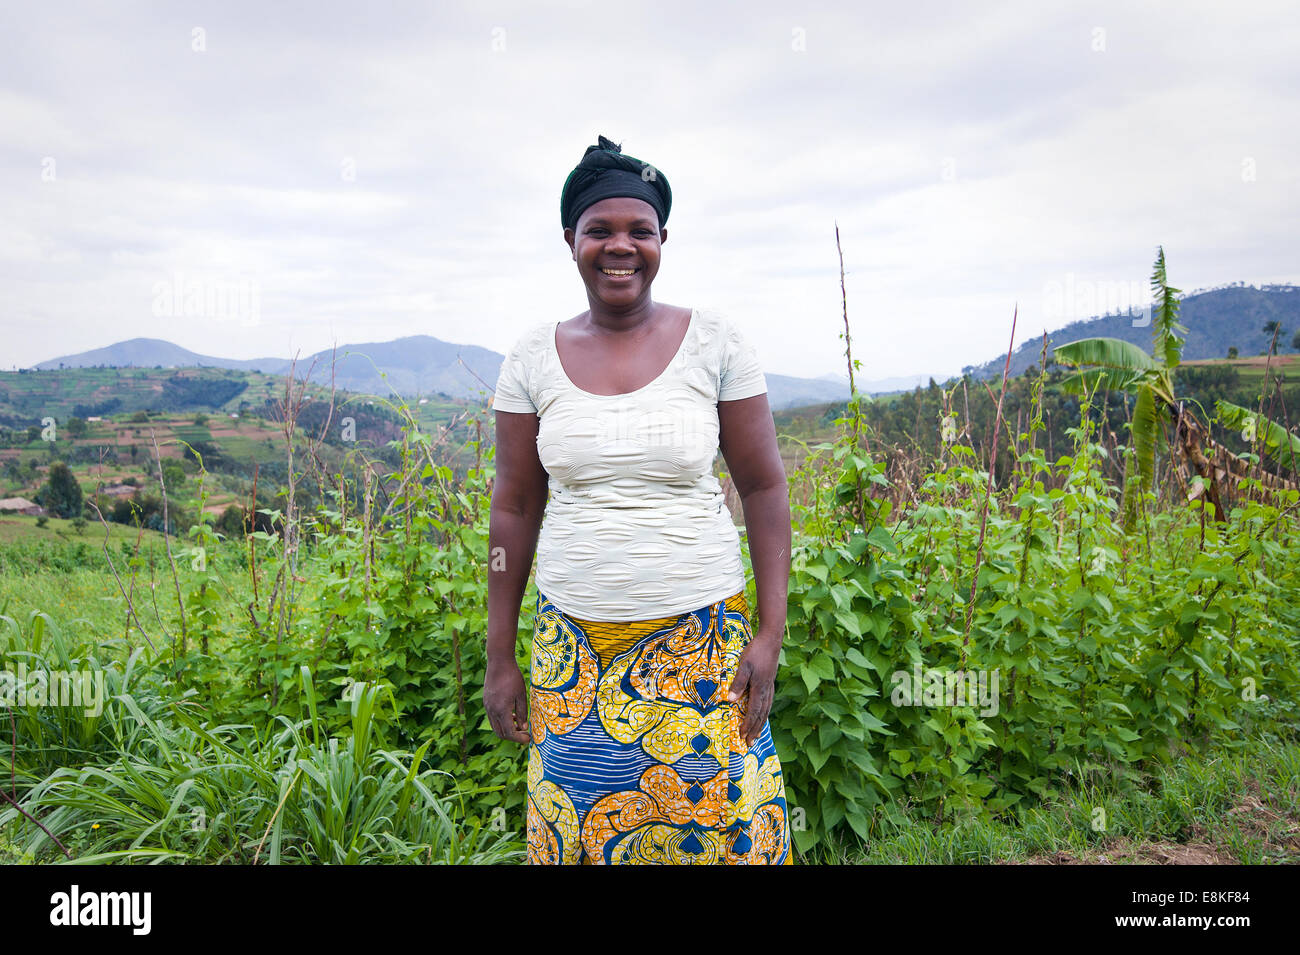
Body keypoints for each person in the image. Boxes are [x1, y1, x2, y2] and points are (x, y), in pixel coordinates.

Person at [487, 134, 793, 865]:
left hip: (703, 639)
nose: (620, 246)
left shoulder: (715, 342)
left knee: (710, 828)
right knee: (585, 834)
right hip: (575, 652)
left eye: (639, 230)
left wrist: (771, 633)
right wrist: (500, 656)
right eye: (600, 229)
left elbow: (763, 486)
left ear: (661, 241)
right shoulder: (532, 357)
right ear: (571, 240)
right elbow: (514, 509)